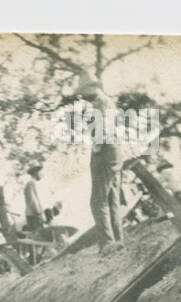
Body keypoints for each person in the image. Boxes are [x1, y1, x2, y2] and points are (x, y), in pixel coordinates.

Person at [76, 74, 125, 256]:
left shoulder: (99, 104)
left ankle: (108, 243)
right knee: (112, 199)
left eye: (84, 92)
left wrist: (96, 148)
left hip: (104, 151)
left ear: (91, 88)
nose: (83, 96)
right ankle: (118, 240)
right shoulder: (108, 102)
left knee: (98, 201)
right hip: (115, 151)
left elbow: (101, 132)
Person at [23, 165, 45, 232]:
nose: (42, 174)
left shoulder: (32, 183)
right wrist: (40, 214)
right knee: (38, 234)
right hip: (33, 216)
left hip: (33, 215)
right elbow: (33, 201)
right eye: (40, 172)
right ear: (36, 172)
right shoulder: (31, 183)